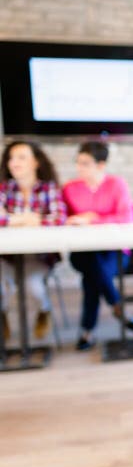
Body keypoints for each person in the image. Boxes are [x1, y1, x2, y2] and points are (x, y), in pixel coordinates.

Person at [62, 141, 133, 351]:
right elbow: (63, 219)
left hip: (114, 253)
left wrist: (92, 219)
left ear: (101, 165)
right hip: (81, 252)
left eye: (85, 163)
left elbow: (127, 218)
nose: (79, 168)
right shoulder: (70, 188)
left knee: (92, 277)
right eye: (78, 163)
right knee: (92, 262)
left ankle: (87, 331)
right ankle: (118, 306)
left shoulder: (117, 184)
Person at [0, 141, 67, 340]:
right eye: (11, 158)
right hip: (8, 257)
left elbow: (58, 219)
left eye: (21, 157)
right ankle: (2, 316)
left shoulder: (49, 188)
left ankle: (43, 311)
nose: (14, 162)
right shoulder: (5, 189)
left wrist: (11, 219)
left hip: (39, 257)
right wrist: (26, 219)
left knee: (33, 286)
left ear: (35, 162)